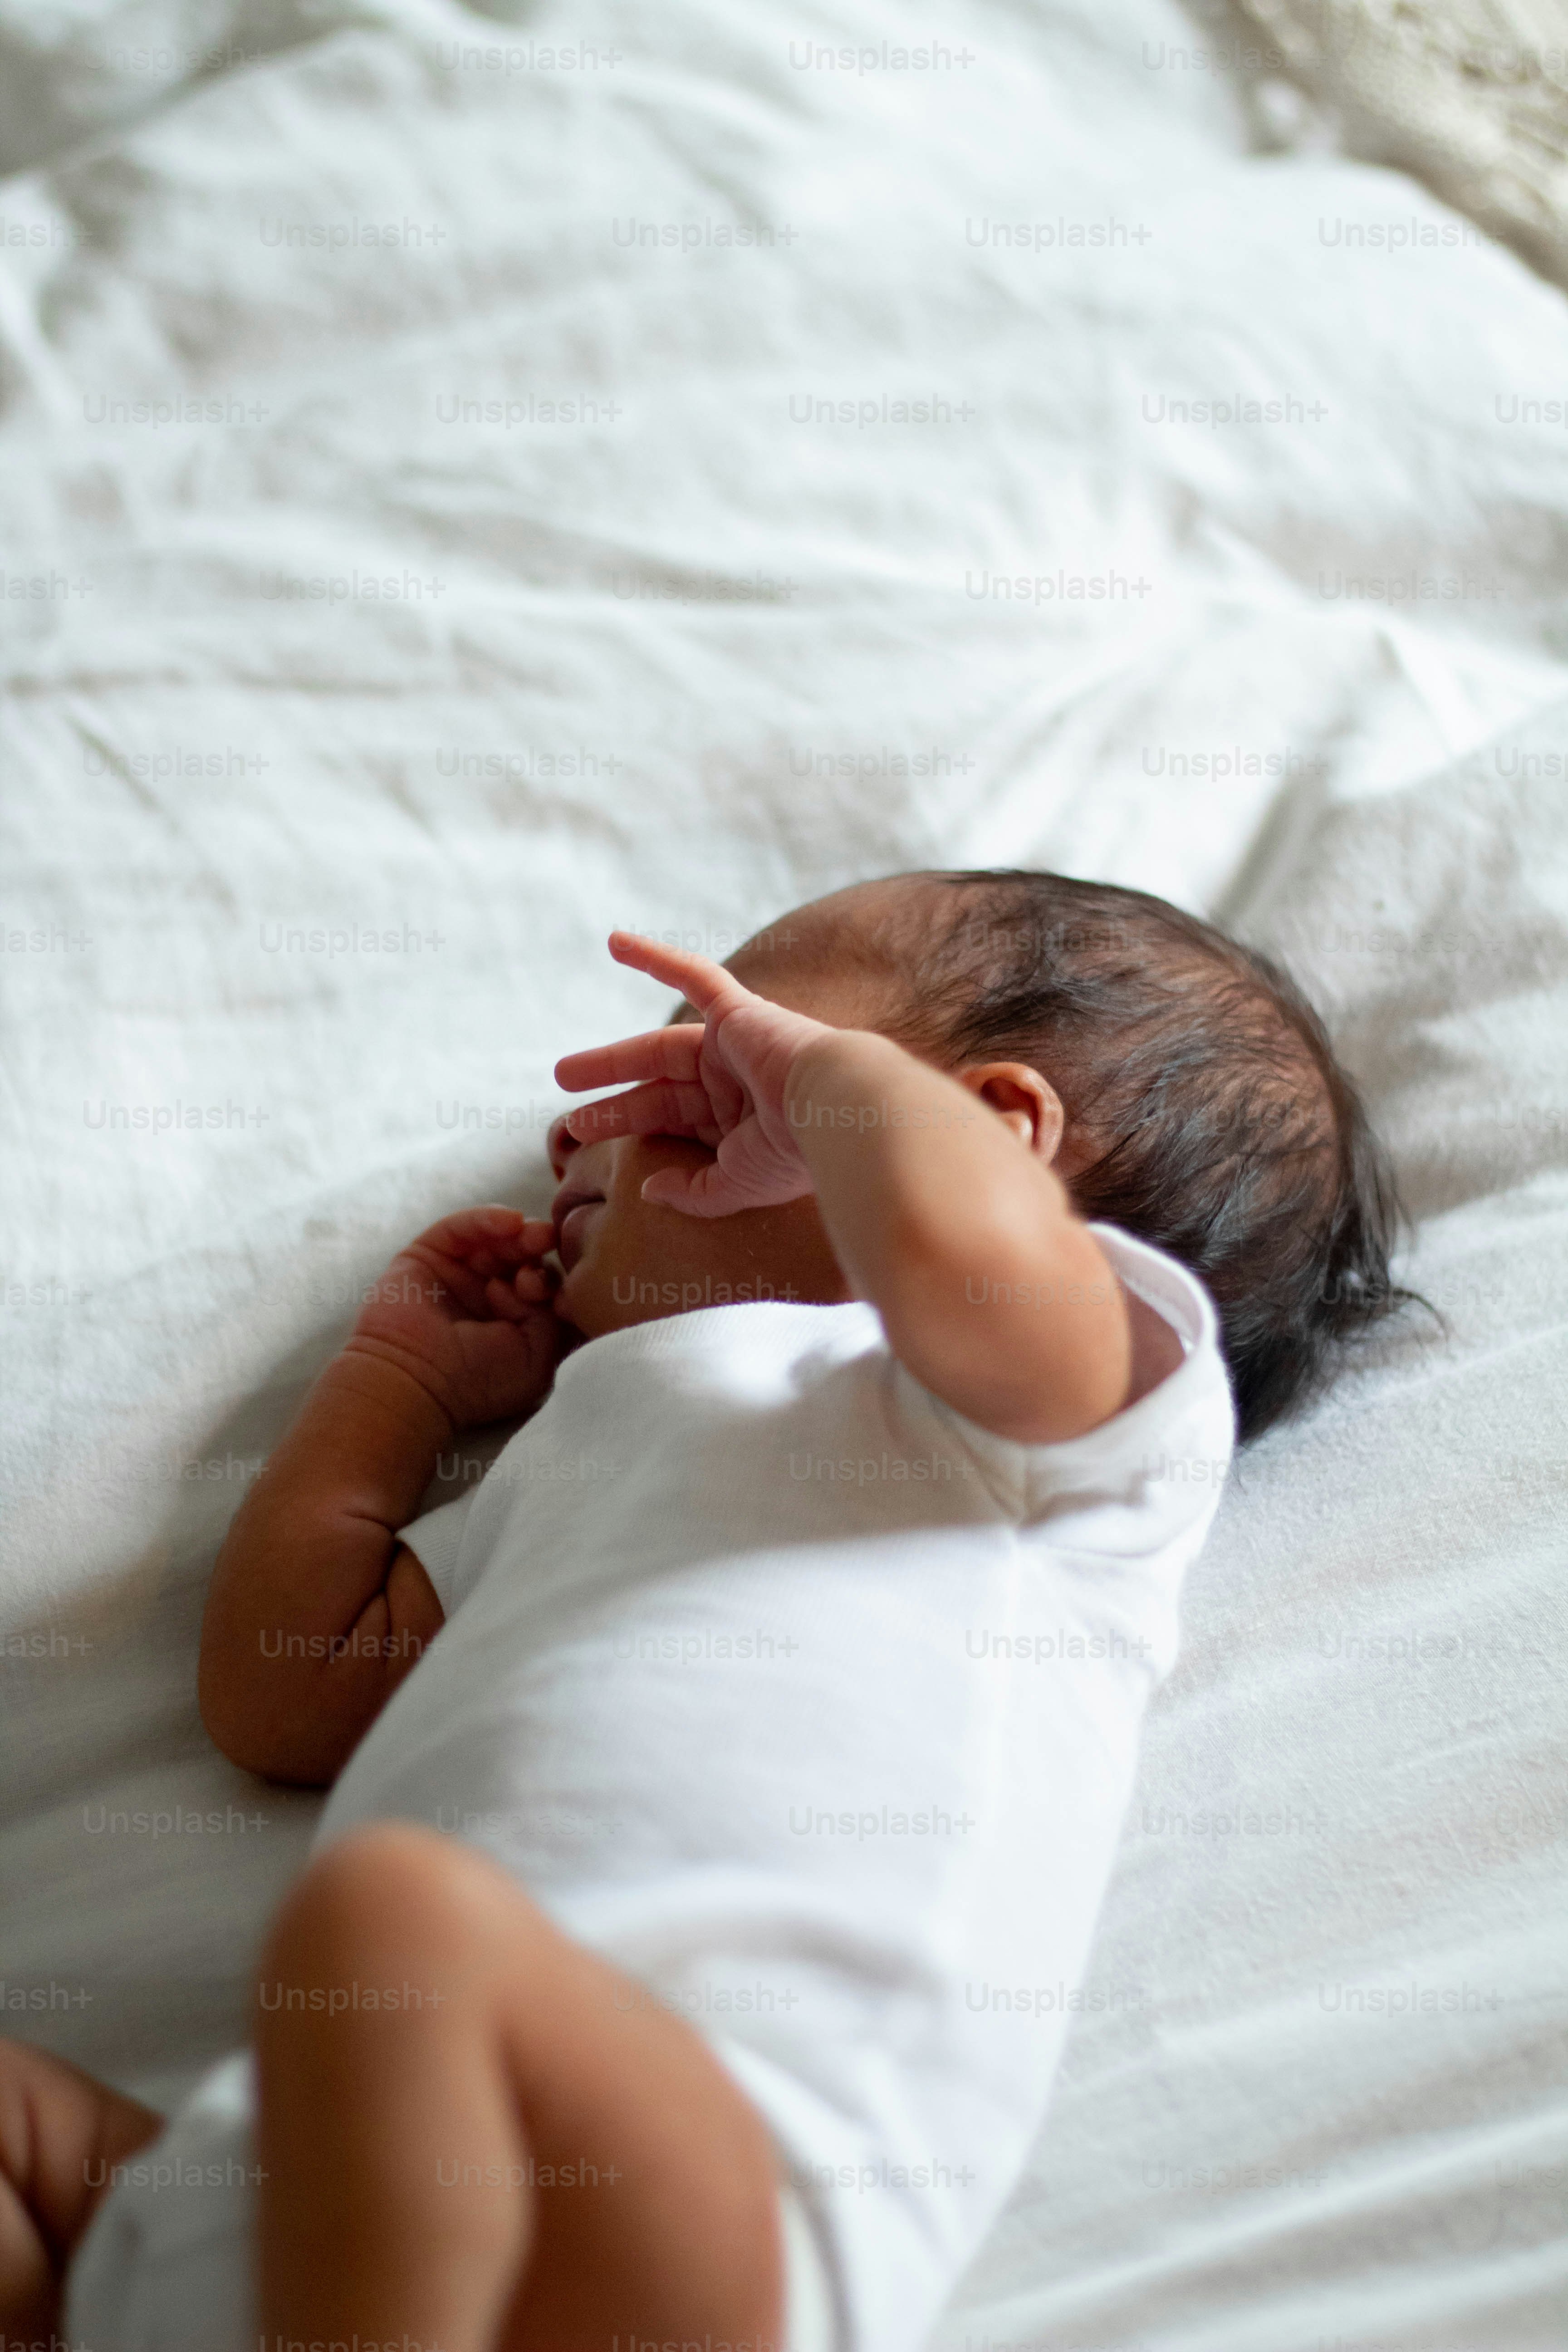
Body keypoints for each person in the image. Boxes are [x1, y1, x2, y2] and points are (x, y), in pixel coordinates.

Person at [3, 872, 1410, 2352]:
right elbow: (284, 1694)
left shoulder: (1044, 1426)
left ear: (992, 1133)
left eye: (707, 1054)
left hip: (702, 2185)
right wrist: (395, 1389)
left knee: (392, 1923)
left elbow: (987, 1265)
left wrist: (829, 1094)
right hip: (309, 2206)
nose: (574, 1133)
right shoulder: (572, 1455)